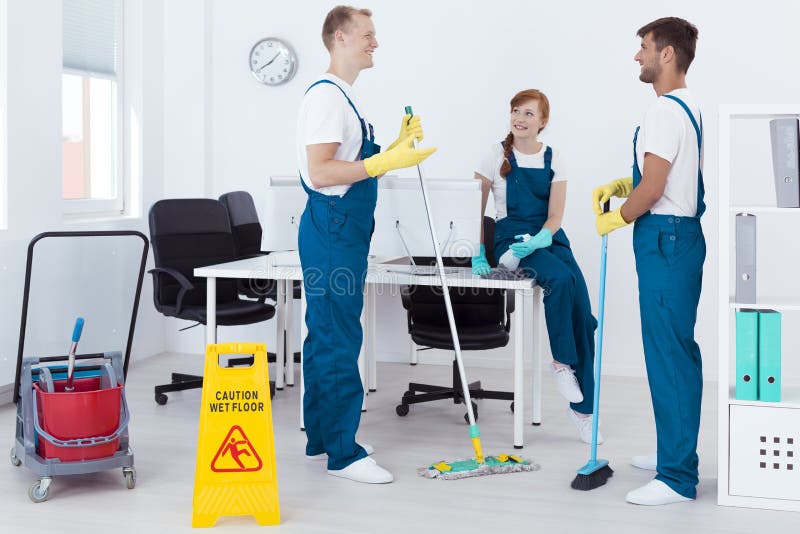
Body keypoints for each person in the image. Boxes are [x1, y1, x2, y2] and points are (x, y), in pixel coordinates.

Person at [296, 5, 436, 484]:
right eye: (367, 35)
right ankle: (343, 453)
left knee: (326, 333)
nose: (375, 43)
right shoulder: (328, 98)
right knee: (338, 337)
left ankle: (322, 436)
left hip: (339, 229)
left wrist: (391, 147)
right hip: (333, 227)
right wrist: (383, 164)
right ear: (339, 38)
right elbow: (321, 172)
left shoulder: (344, 97)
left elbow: (352, 159)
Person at [593, 17, 704, 505]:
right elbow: (661, 180)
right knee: (673, 350)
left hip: (666, 239)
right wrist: (628, 187)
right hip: (678, 237)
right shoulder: (687, 106)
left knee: (669, 356)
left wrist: (617, 215)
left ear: (667, 54)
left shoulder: (662, 110)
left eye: (644, 47)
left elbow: (655, 188)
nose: (637, 56)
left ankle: (678, 478)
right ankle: (672, 454)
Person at [471, 89, 601, 444]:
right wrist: (479, 251)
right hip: (509, 236)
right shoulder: (495, 155)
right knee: (558, 278)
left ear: (543, 122)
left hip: (546, 237)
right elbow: (473, 209)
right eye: (516, 110)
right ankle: (561, 363)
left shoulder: (555, 157)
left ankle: (584, 412)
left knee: (583, 312)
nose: (521, 118)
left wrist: (543, 238)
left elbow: (556, 215)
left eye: (529, 113)